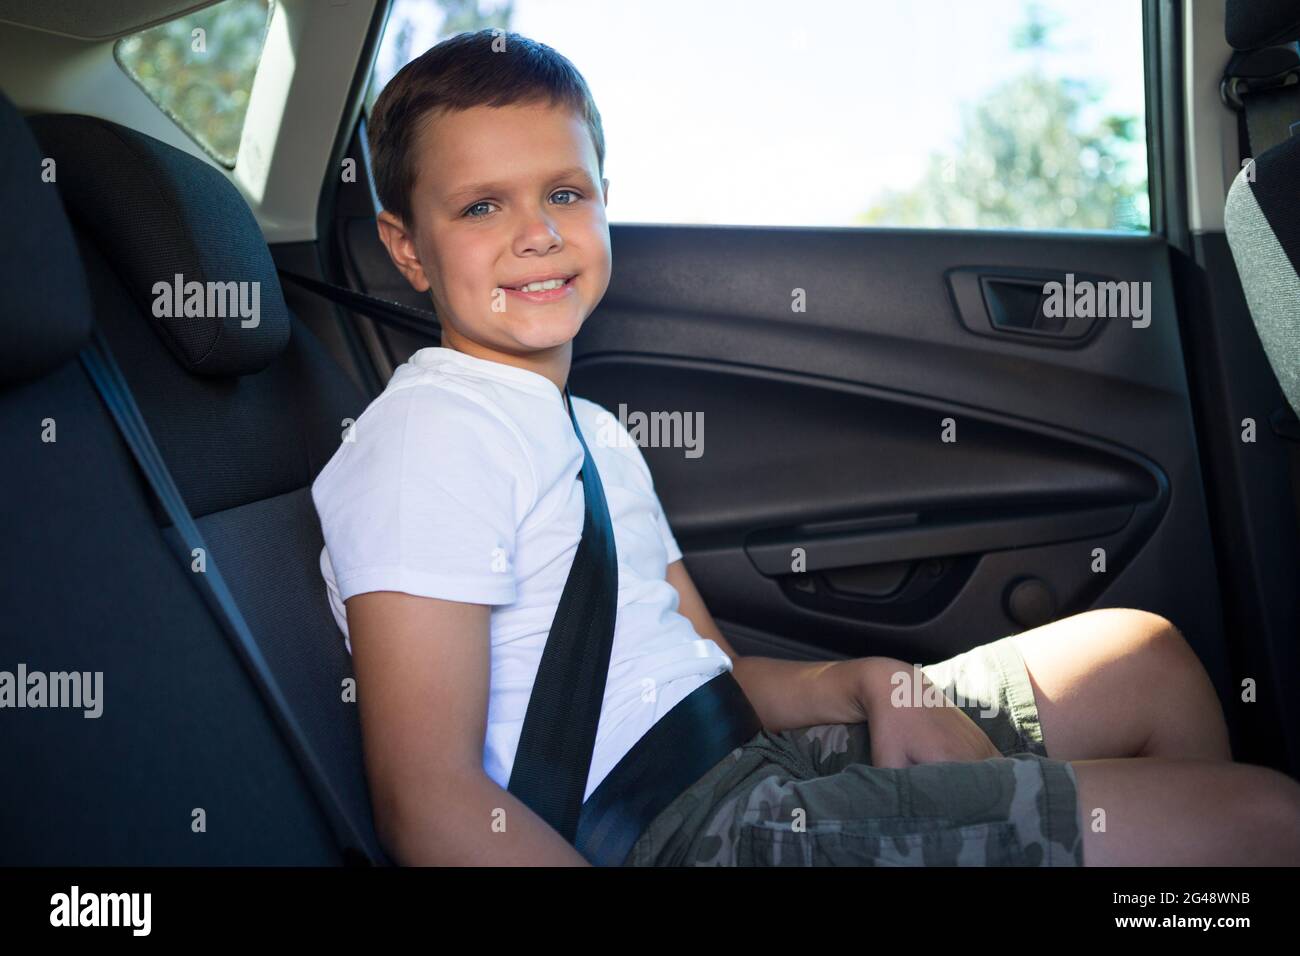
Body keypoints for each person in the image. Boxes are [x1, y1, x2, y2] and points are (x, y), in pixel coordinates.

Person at [311, 29, 1300, 867]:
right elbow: (428, 799)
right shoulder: (429, 437)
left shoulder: (590, 430)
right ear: (406, 247)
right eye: (482, 206)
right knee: (1268, 821)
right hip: (689, 832)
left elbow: (715, 669)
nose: (536, 233)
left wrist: (871, 677)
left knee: (1143, 655)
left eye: (565, 193)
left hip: (745, 757)